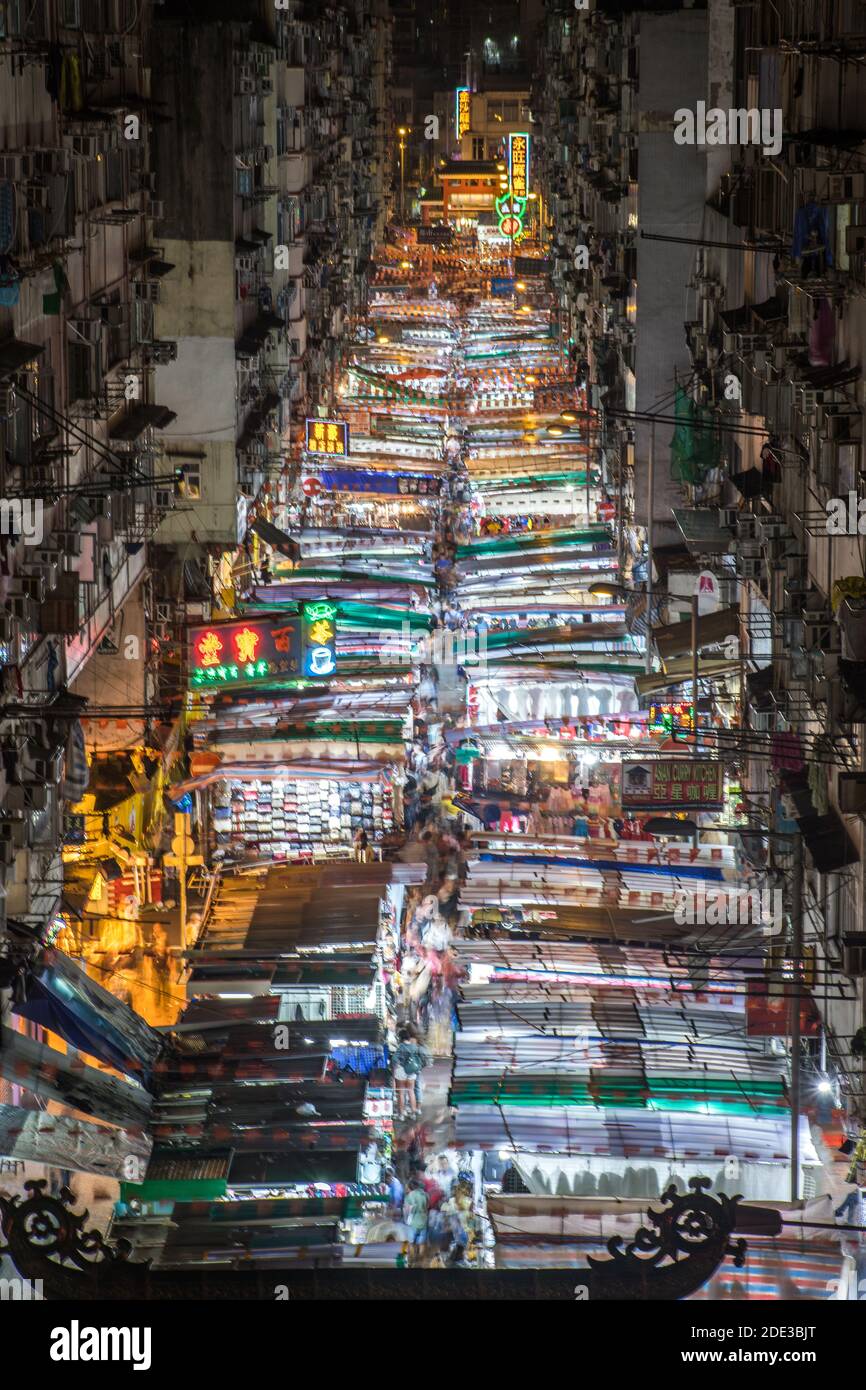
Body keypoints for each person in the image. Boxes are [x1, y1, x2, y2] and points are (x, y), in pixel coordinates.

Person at [403, 1178, 428, 1262]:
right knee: (421, 1244)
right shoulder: (425, 1194)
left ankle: (412, 1262)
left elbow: (407, 1210)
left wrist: (405, 1220)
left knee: (411, 1243)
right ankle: (420, 1262)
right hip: (423, 1222)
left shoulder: (409, 1195)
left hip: (413, 1222)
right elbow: (427, 1207)